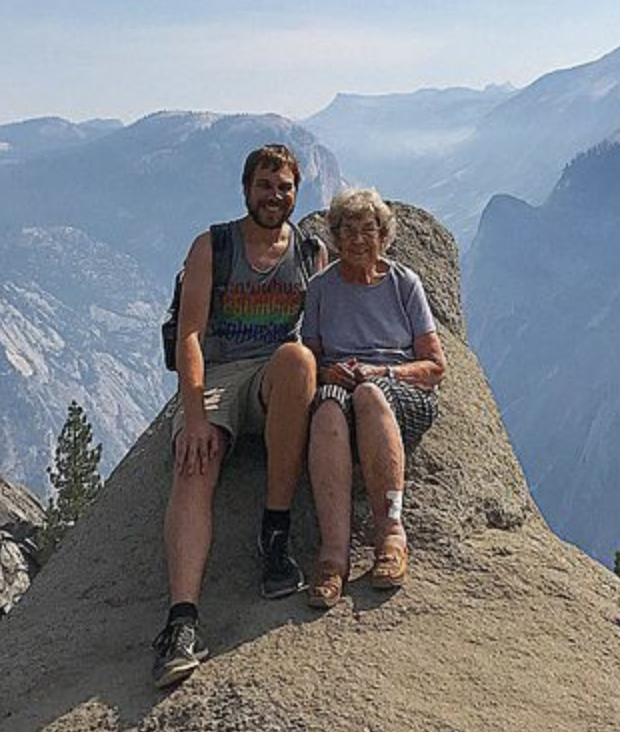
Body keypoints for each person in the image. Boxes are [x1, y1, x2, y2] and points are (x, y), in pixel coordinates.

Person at [151, 144, 327, 689]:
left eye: (285, 187)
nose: (275, 196)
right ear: (247, 189)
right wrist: (196, 416)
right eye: (265, 186)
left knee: (300, 359)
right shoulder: (214, 246)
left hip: (275, 375)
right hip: (222, 375)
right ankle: (181, 621)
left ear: (297, 193)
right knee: (194, 465)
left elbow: (318, 333)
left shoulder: (309, 251)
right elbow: (191, 335)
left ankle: (274, 534)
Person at [300, 188, 445, 609]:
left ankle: (392, 535)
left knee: (368, 394)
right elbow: (311, 355)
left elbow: (435, 366)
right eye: (349, 230)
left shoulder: (404, 283)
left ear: (383, 235)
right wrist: (328, 371)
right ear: (335, 235)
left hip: (397, 390)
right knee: (326, 408)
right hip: (342, 383)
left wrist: (381, 371)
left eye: (368, 230)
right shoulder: (322, 288)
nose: (358, 240)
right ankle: (332, 556)